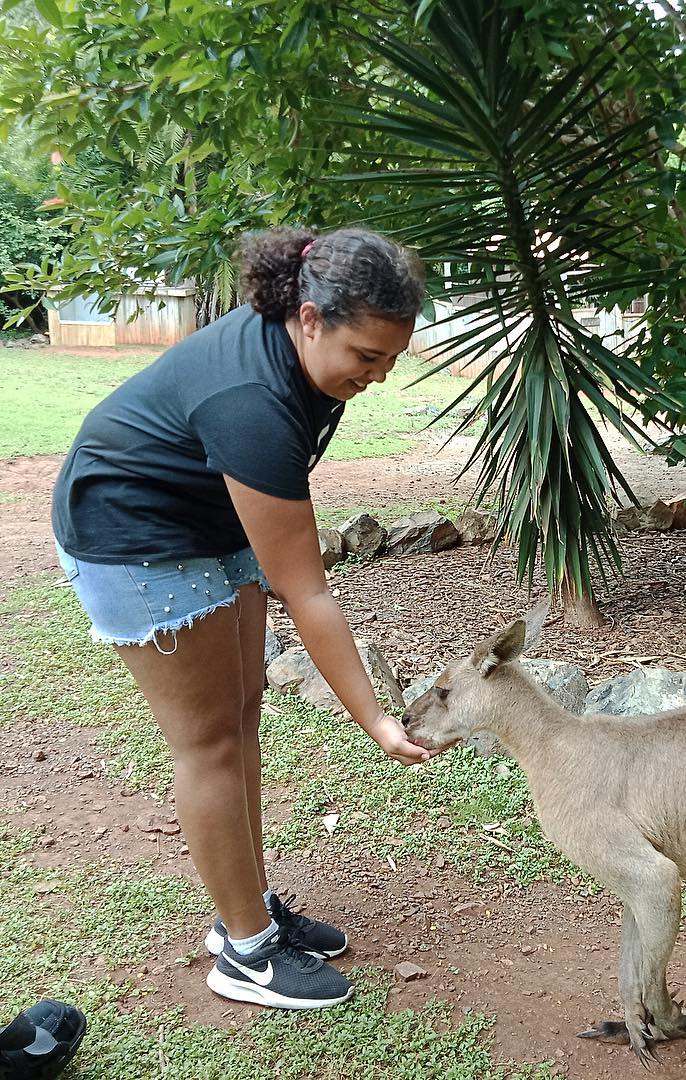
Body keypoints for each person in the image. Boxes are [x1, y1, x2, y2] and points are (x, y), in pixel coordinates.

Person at [51, 227, 433, 1010]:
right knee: (209, 741)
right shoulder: (251, 400)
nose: (380, 376)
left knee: (245, 715)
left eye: (393, 358)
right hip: (135, 533)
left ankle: (249, 913)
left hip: (213, 517)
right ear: (312, 317)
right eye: (367, 357)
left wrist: (357, 368)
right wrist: (378, 723)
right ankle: (246, 953)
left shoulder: (300, 355)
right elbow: (310, 592)